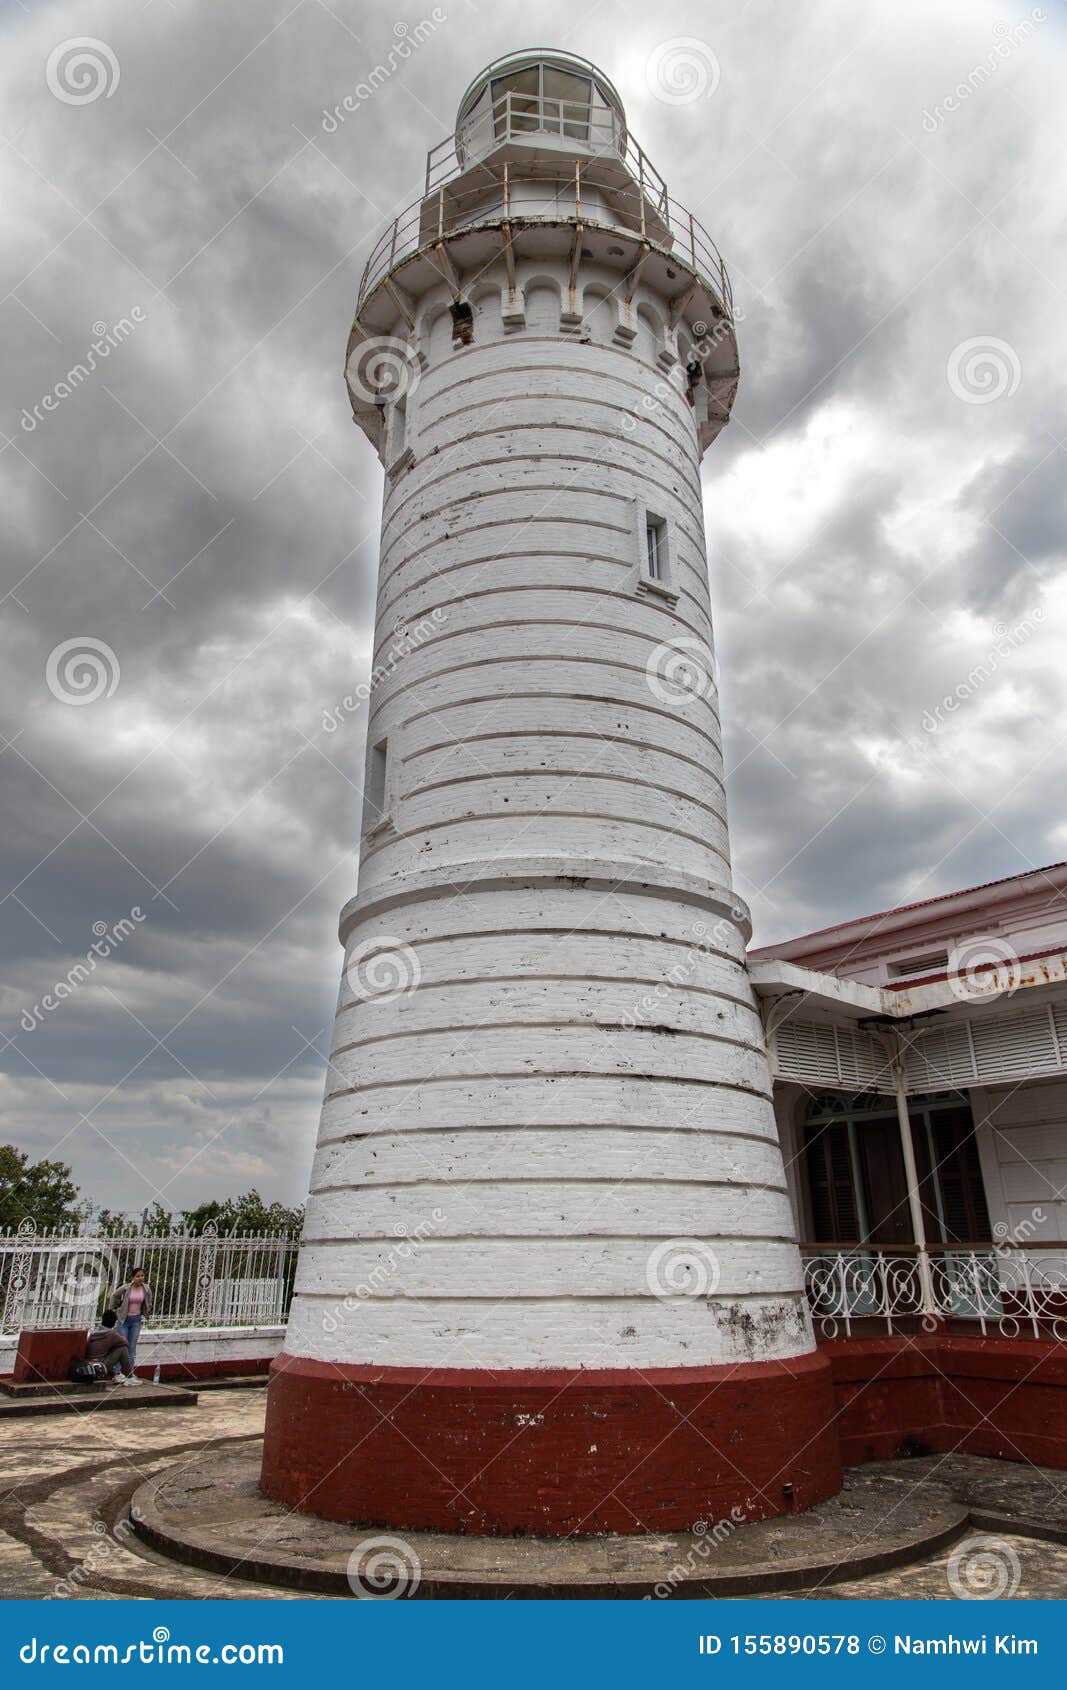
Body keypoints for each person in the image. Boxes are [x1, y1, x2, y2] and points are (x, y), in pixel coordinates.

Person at [111, 1266, 151, 1372]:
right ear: (133, 1278)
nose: (140, 1278)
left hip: (136, 1320)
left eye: (142, 1276)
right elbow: (114, 1295)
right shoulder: (126, 1288)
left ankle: (129, 1372)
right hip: (124, 1319)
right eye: (138, 1276)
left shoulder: (146, 1289)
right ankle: (118, 1371)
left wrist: (146, 1312)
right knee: (123, 1345)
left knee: (132, 1346)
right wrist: (114, 1309)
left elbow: (148, 1301)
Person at [84, 1310, 135, 1384]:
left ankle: (114, 1374)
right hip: (101, 1365)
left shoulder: (94, 1332)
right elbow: (126, 1343)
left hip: (89, 1364)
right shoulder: (111, 1334)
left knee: (111, 1349)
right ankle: (129, 1376)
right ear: (114, 1323)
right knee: (122, 1348)